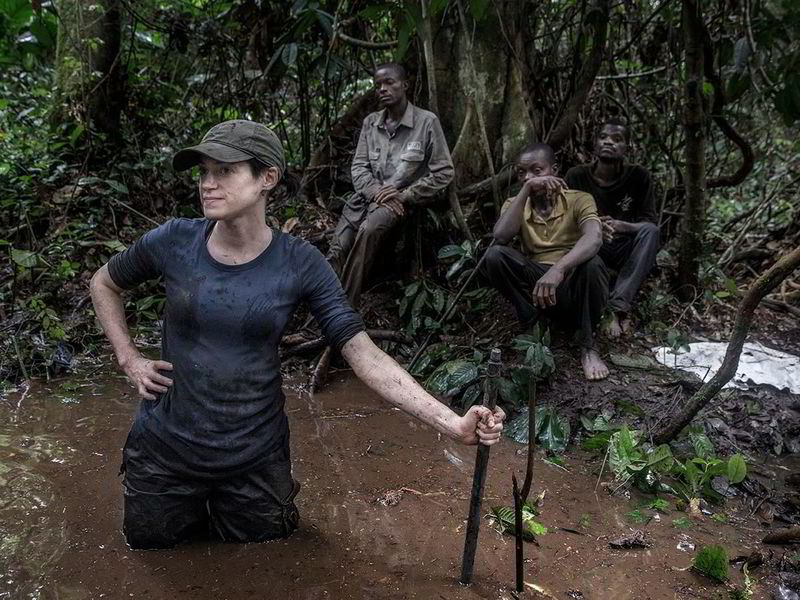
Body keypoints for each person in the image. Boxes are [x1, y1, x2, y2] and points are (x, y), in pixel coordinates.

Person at [89, 120, 504, 550]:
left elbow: (363, 353)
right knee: (153, 558)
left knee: (270, 559)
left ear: (267, 178)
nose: (207, 184)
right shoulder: (174, 239)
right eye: (203, 172)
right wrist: (129, 358)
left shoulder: (300, 263)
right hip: (165, 452)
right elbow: (104, 282)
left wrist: (452, 424)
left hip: (253, 456)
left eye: (224, 171)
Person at [327, 63, 454, 306]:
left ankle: (345, 308)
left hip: (399, 203)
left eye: (389, 83)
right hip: (366, 198)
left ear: (405, 85)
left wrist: (406, 195)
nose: (382, 89)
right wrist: (375, 191)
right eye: (378, 85)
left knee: (368, 231)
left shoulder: (427, 122)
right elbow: (359, 166)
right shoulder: (370, 123)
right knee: (338, 246)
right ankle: (322, 307)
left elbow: (444, 171)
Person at [480, 142, 609, 381]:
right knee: (495, 256)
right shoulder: (515, 203)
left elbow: (594, 237)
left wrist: (559, 269)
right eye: (522, 172)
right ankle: (534, 327)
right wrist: (526, 189)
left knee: (593, 264)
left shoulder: (579, 199)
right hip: (537, 288)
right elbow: (500, 237)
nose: (528, 177)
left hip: (571, 283)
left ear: (554, 170)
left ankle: (589, 345)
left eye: (536, 171)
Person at [565, 118, 660, 338]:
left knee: (651, 233)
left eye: (617, 139)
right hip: (590, 245)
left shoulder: (639, 176)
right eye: (604, 137)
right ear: (595, 143)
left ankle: (616, 306)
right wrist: (594, 227)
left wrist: (620, 225)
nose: (609, 142)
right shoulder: (576, 176)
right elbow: (565, 221)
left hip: (624, 247)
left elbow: (649, 222)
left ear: (627, 147)